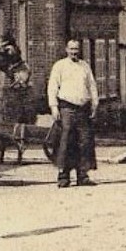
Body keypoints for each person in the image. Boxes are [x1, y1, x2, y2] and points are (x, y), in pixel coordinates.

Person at [47, 40, 98, 188]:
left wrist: (95, 104)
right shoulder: (60, 66)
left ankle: (83, 175)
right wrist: (54, 107)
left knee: (84, 141)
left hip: (83, 109)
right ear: (66, 49)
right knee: (66, 141)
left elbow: (92, 85)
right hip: (66, 108)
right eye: (71, 49)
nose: (74, 52)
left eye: (76, 49)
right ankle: (63, 176)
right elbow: (52, 87)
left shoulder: (84, 66)